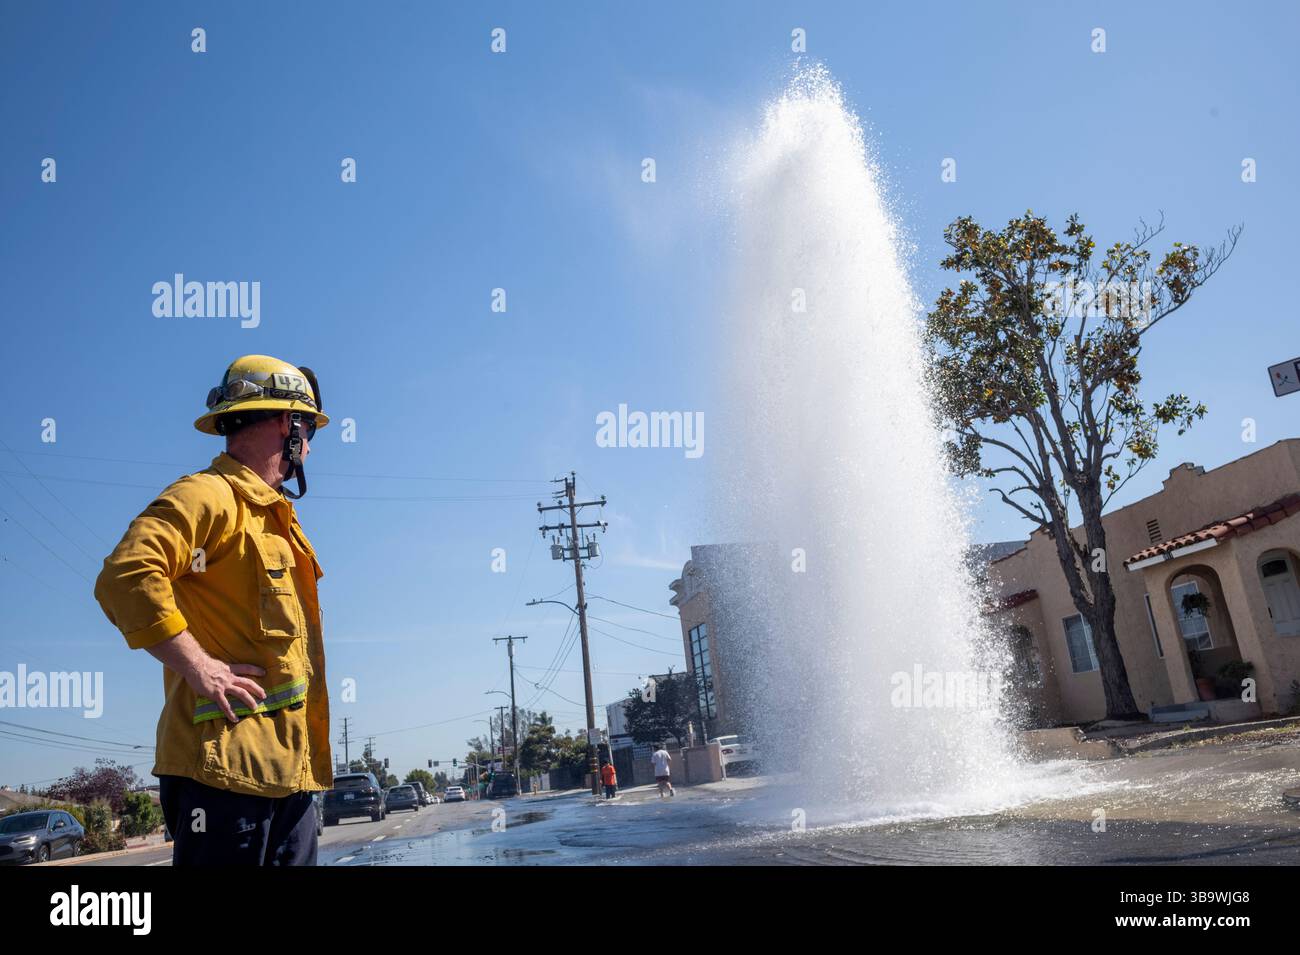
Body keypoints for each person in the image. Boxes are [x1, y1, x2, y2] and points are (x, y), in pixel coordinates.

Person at [94, 355, 331, 865]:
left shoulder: (273, 517)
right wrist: (202, 668)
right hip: (223, 778)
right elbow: (125, 575)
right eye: (309, 428)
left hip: (288, 777)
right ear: (289, 426)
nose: (310, 446)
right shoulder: (209, 495)